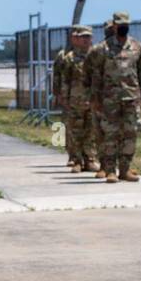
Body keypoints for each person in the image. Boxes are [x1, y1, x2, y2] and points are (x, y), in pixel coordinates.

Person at [87, 10, 141, 183]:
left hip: (131, 99)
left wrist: (140, 96)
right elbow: (96, 76)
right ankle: (110, 170)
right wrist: (95, 99)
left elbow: (140, 74)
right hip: (109, 100)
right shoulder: (103, 49)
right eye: (120, 25)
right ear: (114, 26)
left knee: (130, 134)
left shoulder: (137, 47)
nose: (123, 27)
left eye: (126, 25)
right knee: (110, 135)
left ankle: (125, 170)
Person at [51, 25, 95, 173]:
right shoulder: (69, 57)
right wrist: (62, 97)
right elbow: (64, 79)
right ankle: (76, 160)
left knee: (91, 130)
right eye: (83, 37)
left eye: (88, 37)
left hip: (93, 100)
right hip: (75, 100)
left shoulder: (97, 56)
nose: (85, 40)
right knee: (74, 130)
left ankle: (89, 160)